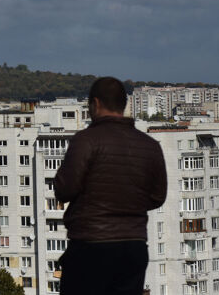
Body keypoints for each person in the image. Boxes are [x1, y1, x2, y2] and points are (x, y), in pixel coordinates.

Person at [55, 76, 167, 294]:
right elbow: (157, 196)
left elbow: (64, 189)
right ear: (123, 105)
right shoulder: (150, 146)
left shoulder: (86, 140)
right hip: (133, 247)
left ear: (95, 104)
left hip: (90, 245)